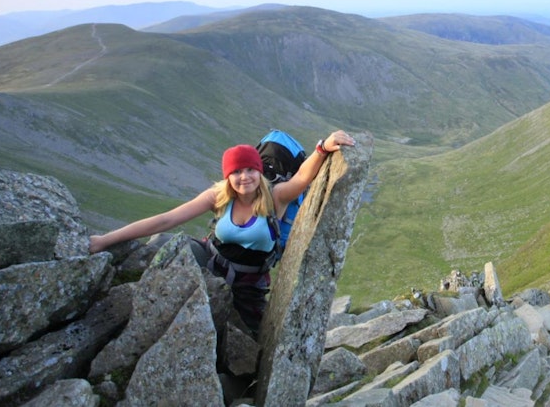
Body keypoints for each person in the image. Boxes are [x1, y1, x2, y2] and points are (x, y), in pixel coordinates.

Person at [89, 130, 356, 331]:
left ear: (259, 171)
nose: (245, 177)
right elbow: (166, 221)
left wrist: (322, 147)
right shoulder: (219, 196)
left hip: (249, 283)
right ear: (227, 175)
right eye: (237, 171)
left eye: (251, 170)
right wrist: (104, 240)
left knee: (250, 334)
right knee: (163, 265)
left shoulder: (276, 197)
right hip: (209, 260)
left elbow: (301, 178)